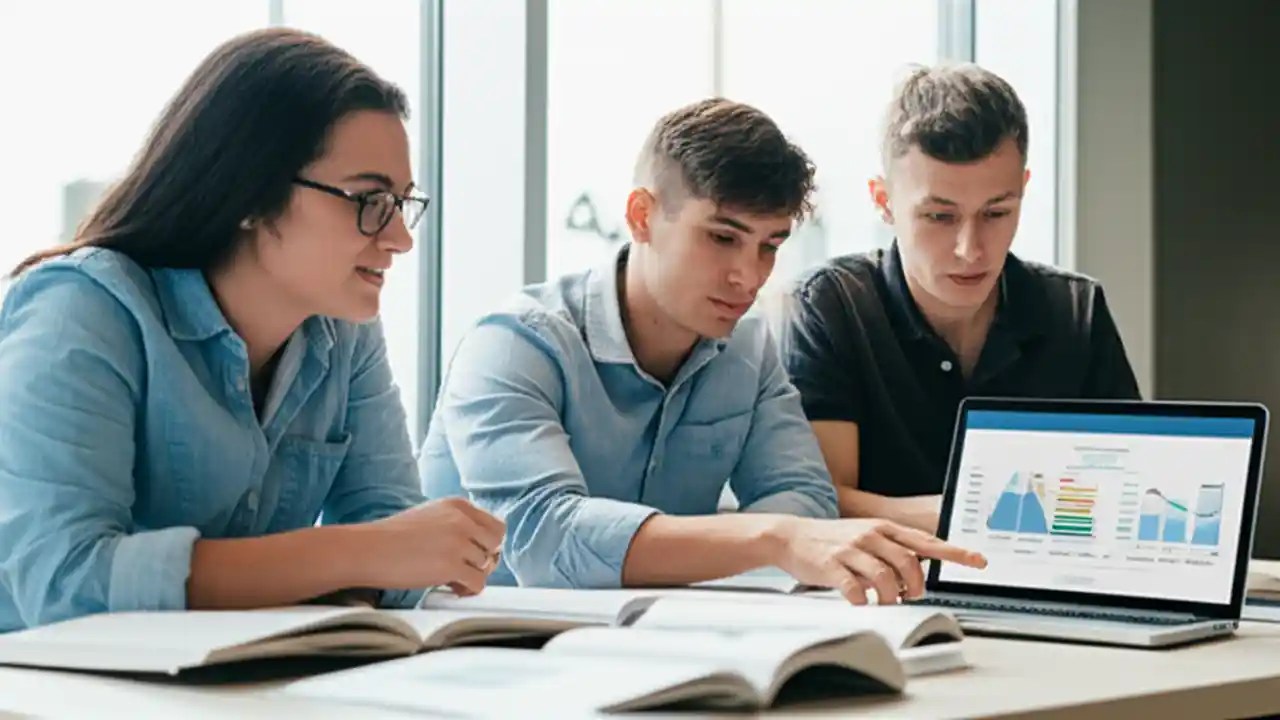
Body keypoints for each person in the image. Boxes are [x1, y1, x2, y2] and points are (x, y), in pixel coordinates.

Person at [0, 28, 503, 632]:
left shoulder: (345, 333)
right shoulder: (81, 311)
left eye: (402, 204)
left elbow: (395, 537)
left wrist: (399, 556)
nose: (399, 239)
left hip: (240, 672)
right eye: (369, 201)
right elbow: (65, 582)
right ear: (251, 196)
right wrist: (362, 553)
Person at [419, 98, 986, 606]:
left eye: (769, 246)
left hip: (658, 642)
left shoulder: (748, 350)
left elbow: (807, 503)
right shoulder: (515, 343)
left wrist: (777, 535)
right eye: (722, 238)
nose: (749, 277)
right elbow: (545, 540)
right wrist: (771, 537)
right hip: (479, 650)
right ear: (641, 216)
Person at [782, 64, 1141, 534]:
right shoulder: (832, 306)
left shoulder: (1076, 311)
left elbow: (1124, 491)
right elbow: (823, 504)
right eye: (939, 217)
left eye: (996, 213)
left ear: (1023, 189)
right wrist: (987, 515)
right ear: (884, 201)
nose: (970, 250)